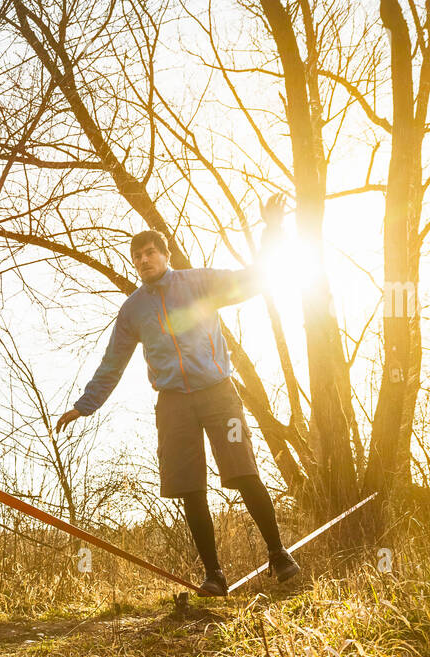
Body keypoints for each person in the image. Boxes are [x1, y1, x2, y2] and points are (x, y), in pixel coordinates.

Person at [55, 196, 300, 596]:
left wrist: (272, 230)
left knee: (243, 471)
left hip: (220, 394)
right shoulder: (132, 310)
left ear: (165, 255)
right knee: (190, 487)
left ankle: (278, 554)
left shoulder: (198, 282)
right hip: (173, 404)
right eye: (137, 257)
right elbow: (112, 363)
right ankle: (214, 576)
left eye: (150, 252)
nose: (144, 260)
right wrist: (84, 406)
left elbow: (255, 279)